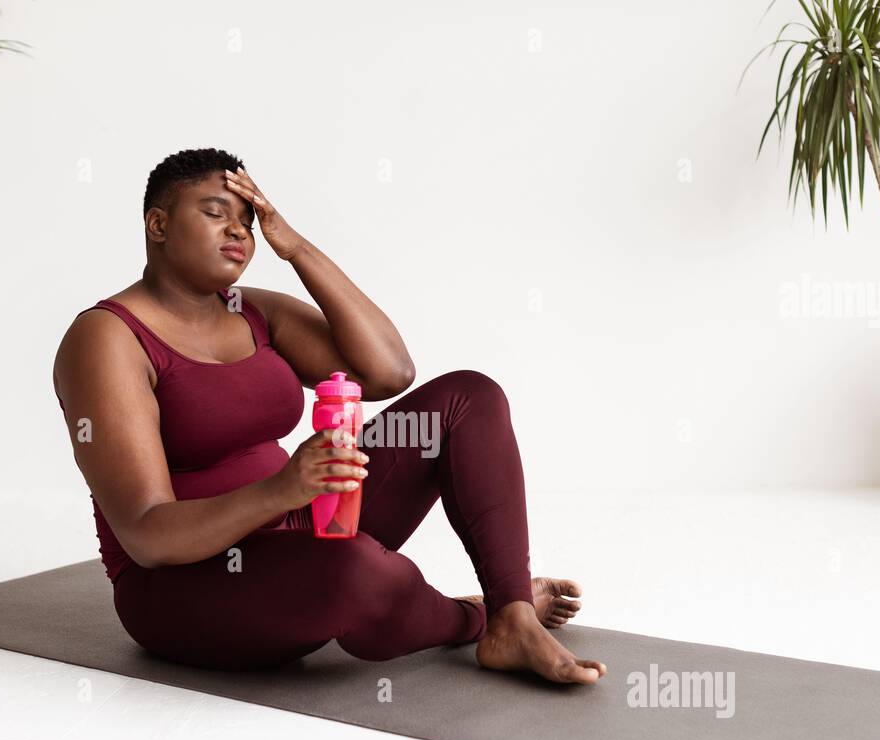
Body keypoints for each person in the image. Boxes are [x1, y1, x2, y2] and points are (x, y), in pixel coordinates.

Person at [52, 147, 604, 685]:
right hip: (182, 586)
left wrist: (295, 248)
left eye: (248, 220)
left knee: (469, 398)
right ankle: (475, 618)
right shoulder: (106, 339)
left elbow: (389, 372)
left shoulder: (253, 310)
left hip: (299, 529)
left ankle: (513, 616)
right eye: (215, 213)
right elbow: (147, 535)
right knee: (356, 568)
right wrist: (282, 489)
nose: (239, 232)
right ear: (158, 224)